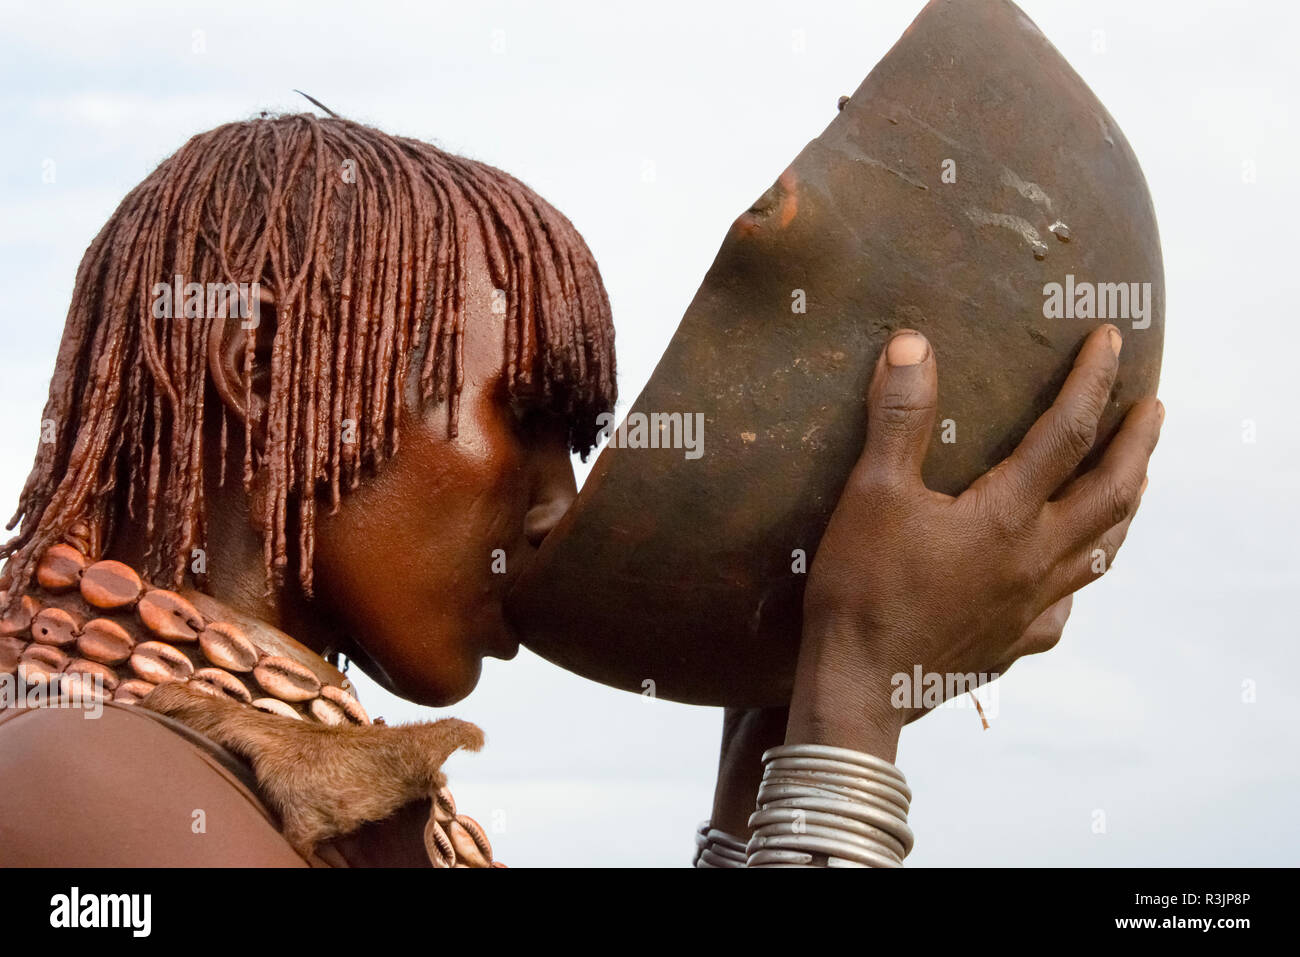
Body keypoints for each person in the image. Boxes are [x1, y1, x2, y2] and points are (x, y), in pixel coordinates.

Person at [0, 114, 1161, 867]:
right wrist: (849, 716)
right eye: (523, 417)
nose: (563, 507)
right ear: (250, 369)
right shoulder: (82, 787)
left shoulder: (213, 778)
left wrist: (769, 735)